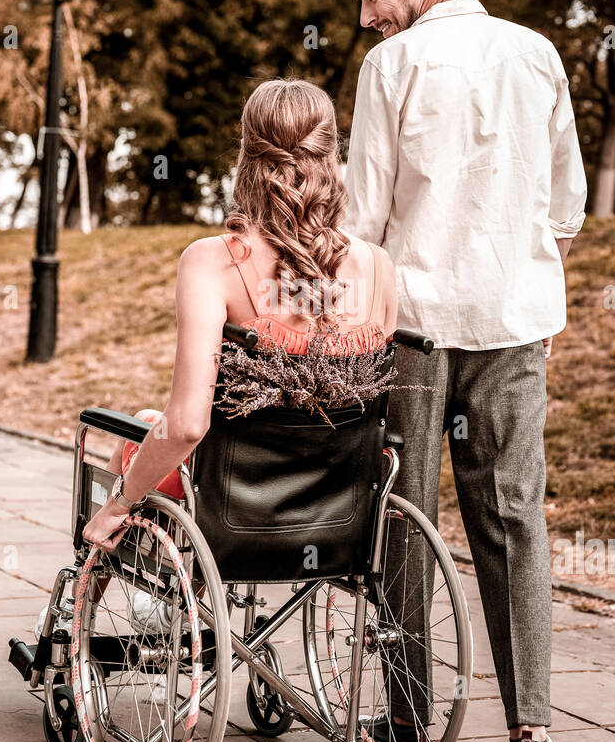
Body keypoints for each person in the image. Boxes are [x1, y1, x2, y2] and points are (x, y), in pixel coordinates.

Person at [338, 0, 587, 742]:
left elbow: (363, 218)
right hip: (516, 328)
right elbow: (567, 205)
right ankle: (533, 737)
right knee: (514, 520)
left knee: (406, 518)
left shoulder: (391, 64)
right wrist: (527, 289)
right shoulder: (537, 53)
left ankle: (406, 723)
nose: (365, 15)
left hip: (414, 326)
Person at [82, 77, 397, 553]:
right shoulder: (379, 265)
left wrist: (121, 503)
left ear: (248, 155)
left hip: (237, 503)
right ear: (332, 153)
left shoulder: (212, 261)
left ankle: (85, 595)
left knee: (147, 426)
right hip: (336, 509)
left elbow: (187, 424)